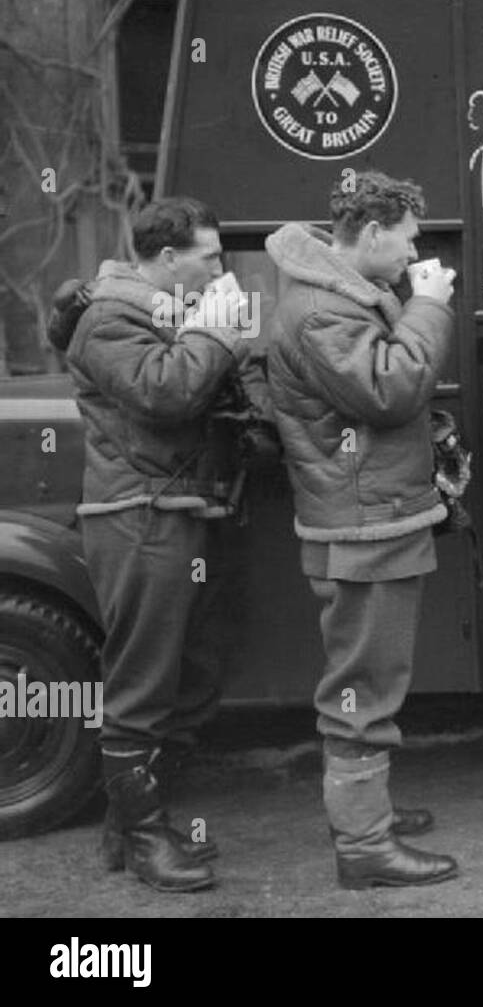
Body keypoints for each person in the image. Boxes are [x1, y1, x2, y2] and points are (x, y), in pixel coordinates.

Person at [55, 196, 261, 892]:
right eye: (207, 257)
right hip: (138, 516)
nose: (217, 268)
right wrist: (220, 338)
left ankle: (127, 829)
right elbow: (163, 394)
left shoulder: (166, 313)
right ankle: (144, 838)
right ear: (167, 259)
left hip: (177, 509)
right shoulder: (108, 318)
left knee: (186, 674)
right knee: (142, 680)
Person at [266, 171, 459, 889]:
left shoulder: (328, 297)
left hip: (367, 518)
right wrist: (431, 307)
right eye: (408, 239)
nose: (413, 255)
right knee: (363, 690)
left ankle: (363, 814)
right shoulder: (323, 312)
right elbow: (390, 390)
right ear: (373, 234)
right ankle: (364, 849)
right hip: (363, 529)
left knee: (369, 683)